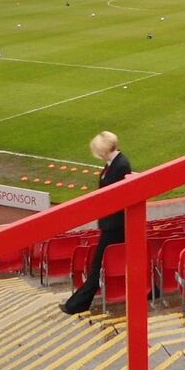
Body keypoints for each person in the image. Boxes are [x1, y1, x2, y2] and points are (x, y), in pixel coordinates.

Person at [61, 131, 131, 314]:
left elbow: (118, 197)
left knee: (97, 265)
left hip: (114, 226)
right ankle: (151, 291)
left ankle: (76, 304)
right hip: (111, 224)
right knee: (115, 261)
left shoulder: (120, 165)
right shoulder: (113, 164)